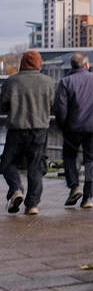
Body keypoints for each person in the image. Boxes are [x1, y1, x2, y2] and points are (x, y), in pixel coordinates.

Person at [53, 52, 93, 209]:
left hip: (72, 127)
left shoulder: (65, 82)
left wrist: (62, 126)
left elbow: (60, 108)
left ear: (72, 66)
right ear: (87, 65)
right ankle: (87, 197)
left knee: (69, 157)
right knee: (90, 160)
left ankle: (74, 187)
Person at [2, 50, 56, 214]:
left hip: (17, 129)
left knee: (6, 163)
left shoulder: (12, 82)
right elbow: (53, 104)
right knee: (35, 167)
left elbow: (3, 105)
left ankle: (16, 188)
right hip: (40, 130)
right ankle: (32, 204)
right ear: (39, 64)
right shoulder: (48, 82)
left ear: (22, 63)